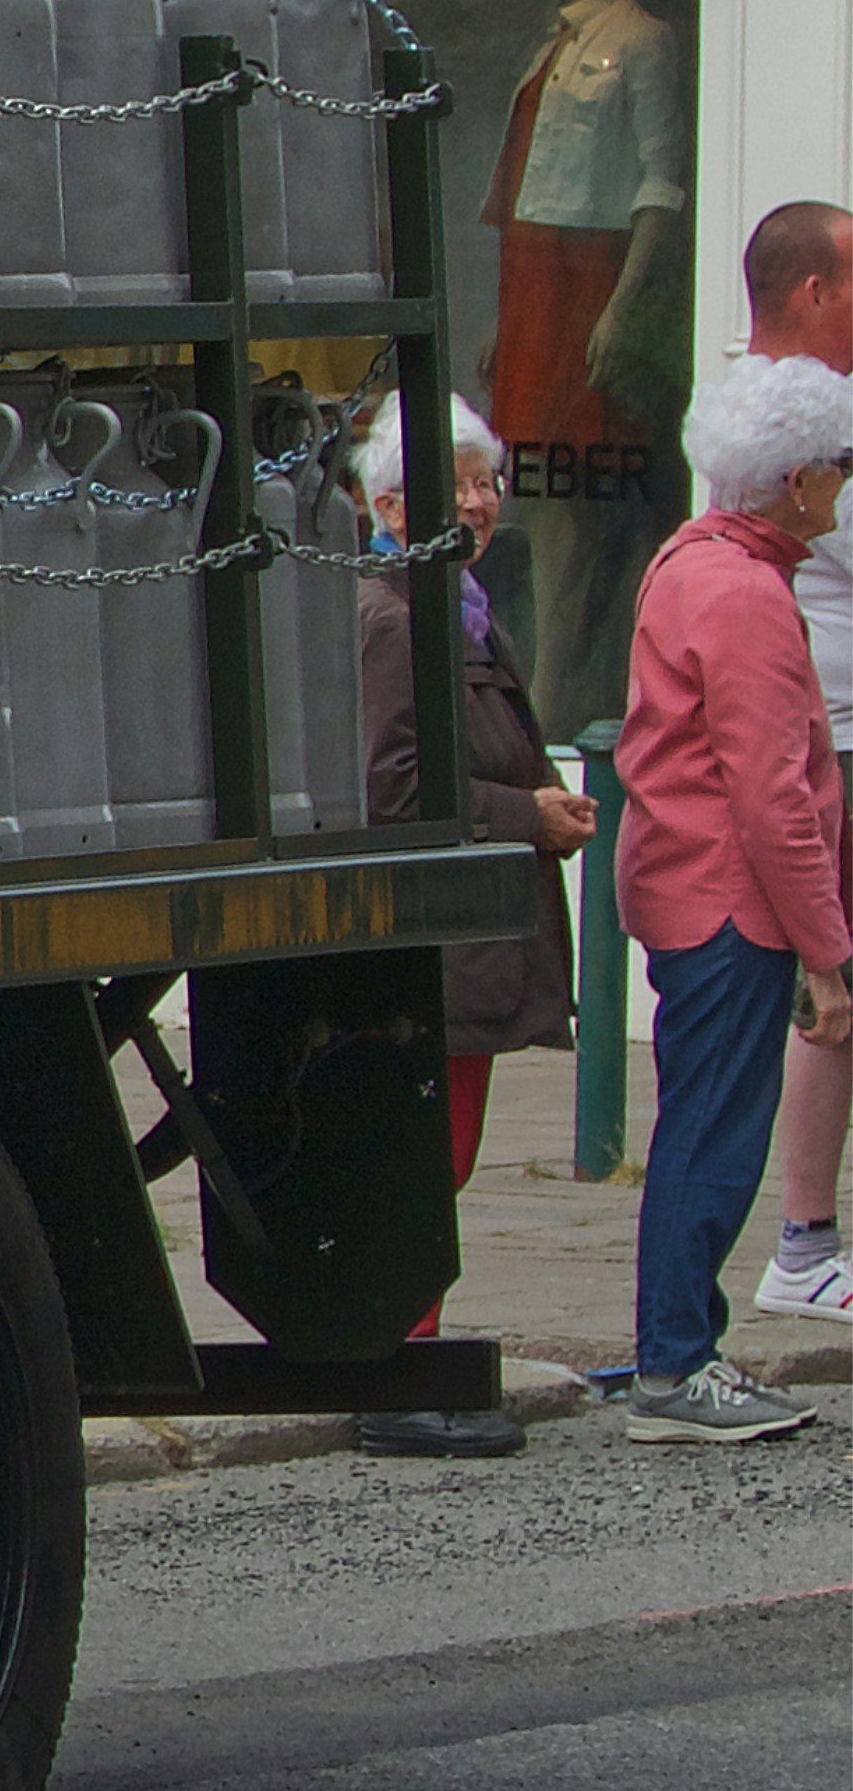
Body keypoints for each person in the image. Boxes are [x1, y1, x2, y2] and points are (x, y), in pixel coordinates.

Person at [609, 353, 853, 1440]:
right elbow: (772, 796)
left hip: (690, 884)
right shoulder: (747, 592)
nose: (843, 483)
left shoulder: (691, 558)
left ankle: (680, 1349)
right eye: (839, 464)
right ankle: (675, 1364)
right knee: (713, 1137)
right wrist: (829, 956)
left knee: (699, 1125)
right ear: (797, 481)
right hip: (727, 900)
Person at [350, 399, 587, 1458]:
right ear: (392, 506)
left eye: (487, 481)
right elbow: (394, 791)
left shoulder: (458, 605)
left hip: (472, 939)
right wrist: (526, 814)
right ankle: (399, 1372)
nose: (481, 501)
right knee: (424, 1159)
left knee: (444, 1155)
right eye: (455, 483)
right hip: (431, 944)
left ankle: (417, 1358)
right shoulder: (398, 619)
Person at [483, 0, 695, 736]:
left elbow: (661, 180)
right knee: (539, 495)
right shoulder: (559, 36)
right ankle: (549, 691)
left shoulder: (641, 40)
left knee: (576, 500)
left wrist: (618, 306)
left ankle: (558, 699)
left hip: (587, 281)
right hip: (538, 281)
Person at [732, 204, 853, 1319]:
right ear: (814, 291)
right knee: (834, 993)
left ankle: (808, 1240)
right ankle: (806, 1243)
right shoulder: (802, 419)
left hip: (821, 733)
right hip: (836, 737)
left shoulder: (746, 400)